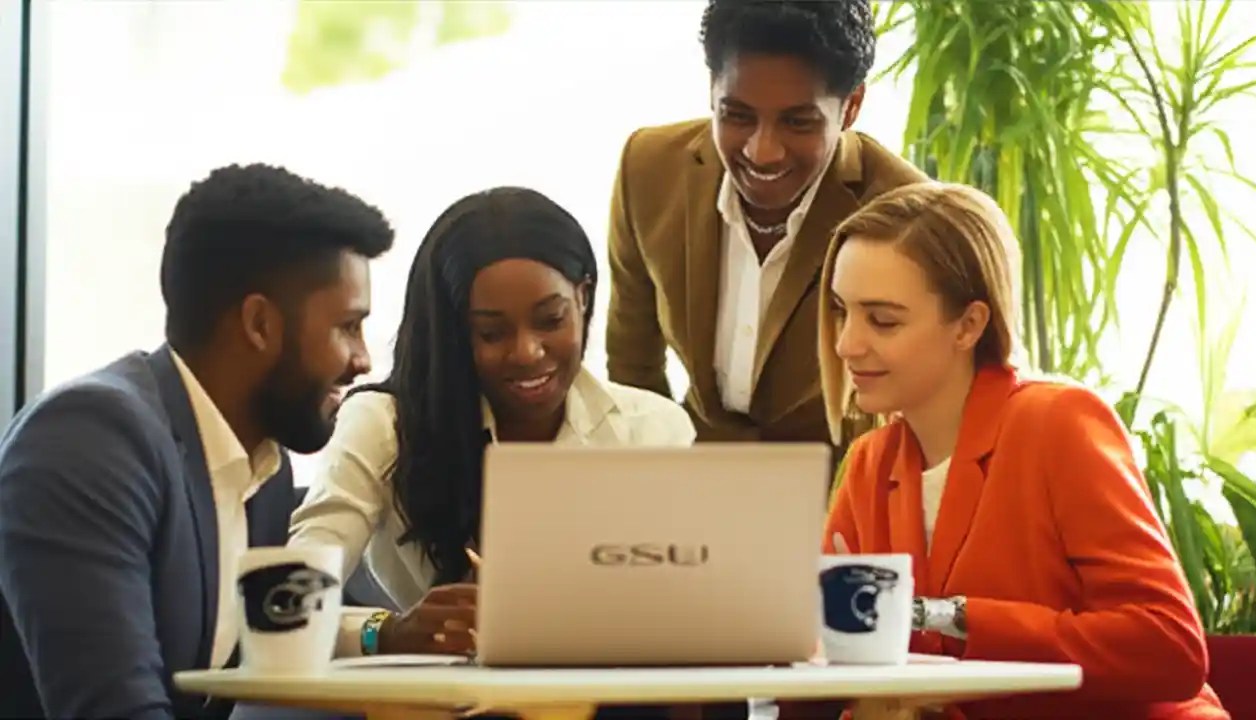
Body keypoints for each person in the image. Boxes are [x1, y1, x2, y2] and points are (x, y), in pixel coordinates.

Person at [810, 182, 1225, 718]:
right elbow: (839, 657)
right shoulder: (872, 464)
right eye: (843, 311)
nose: (847, 343)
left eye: (883, 320)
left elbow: (1170, 646)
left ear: (969, 325)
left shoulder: (1059, 425)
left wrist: (939, 615)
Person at [0, 164, 394, 720]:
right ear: (259, 324)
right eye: (348, 327)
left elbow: (266, 680)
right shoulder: (90, 440)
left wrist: (393, 634)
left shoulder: (263, 468)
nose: (363, 360)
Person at [289, 186, 694, 657]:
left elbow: (688, 604)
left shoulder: (654, 427)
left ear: (583, 299)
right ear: (453, 330)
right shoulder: (385, 422)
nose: (527, 352)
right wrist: (387, 632)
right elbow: (287, 606)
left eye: (551, 319)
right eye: (491, 332)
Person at [605, 0, 927, 446]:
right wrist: (662, 487)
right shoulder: (649, 170)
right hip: (693, 474)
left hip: (842, 488)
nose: (763, 152)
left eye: (798, 122)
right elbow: (632, 371)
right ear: (711, 89)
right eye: (737, 115)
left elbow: (927, 407)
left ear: (851, 107)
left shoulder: (908, 215)